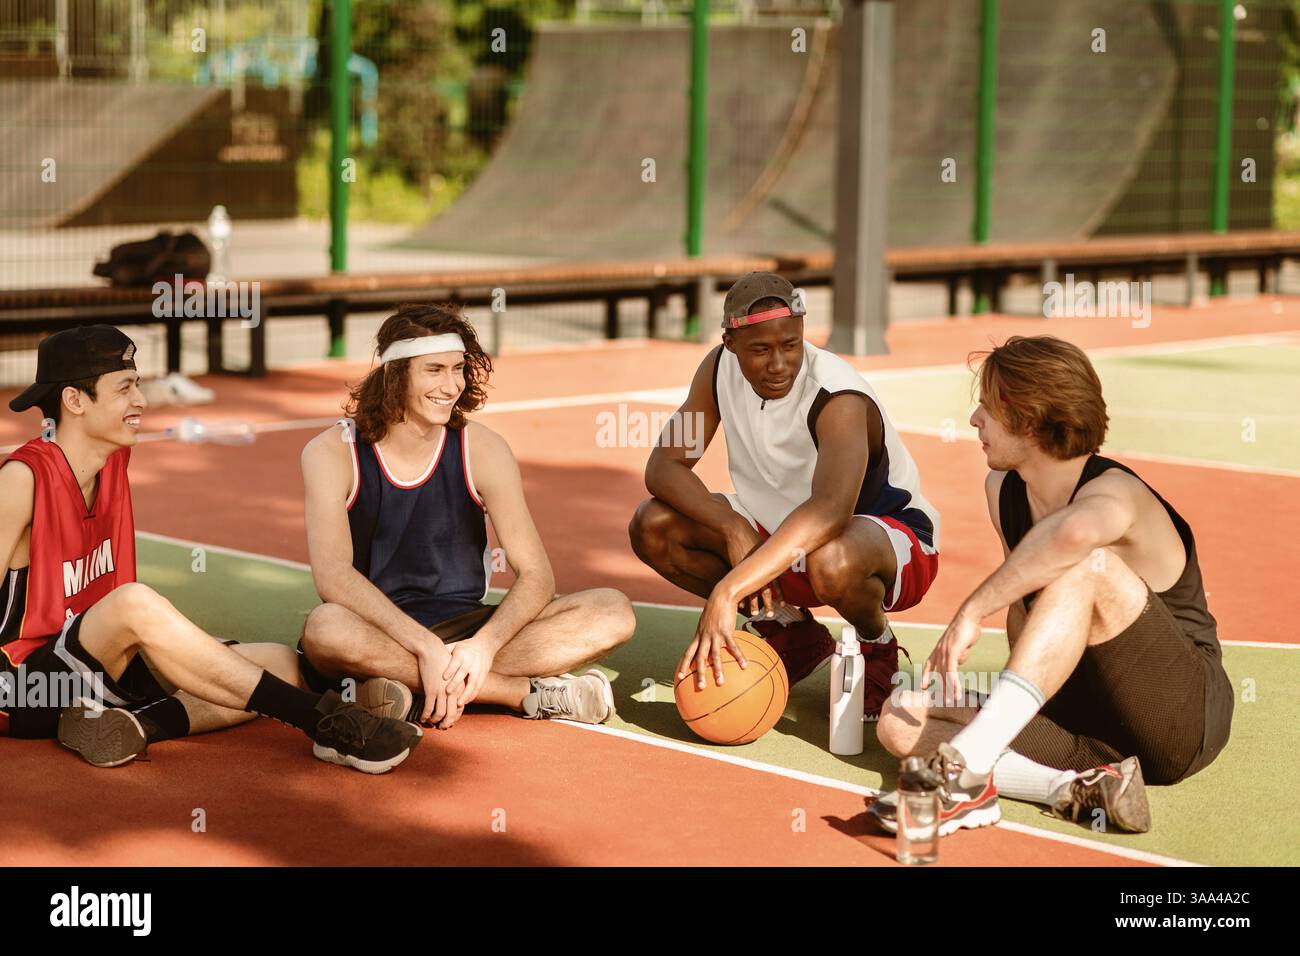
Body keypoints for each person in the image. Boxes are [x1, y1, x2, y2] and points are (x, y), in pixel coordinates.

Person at [0, 325, 420, 773]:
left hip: (101, 664)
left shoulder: (111, 459)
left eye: (138, 385)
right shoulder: (21, 481)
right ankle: (328, 723)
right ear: (74, 400)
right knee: (134, 604)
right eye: (124, 389)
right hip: (27, 685)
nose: (140, 401)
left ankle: (136, 723)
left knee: (279, 661)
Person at [871, 335, 1233, 834]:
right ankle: (1069, 788)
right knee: (900, 716)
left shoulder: (1116, 493)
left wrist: (972, 610)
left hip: (1177, 721)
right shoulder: (1003, 491)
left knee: (1089, 566)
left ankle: (966, 772)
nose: (975, 420)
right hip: (1086, 727)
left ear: (1030, 418)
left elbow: (1075, 537)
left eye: (987, 407)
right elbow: (1026, 620)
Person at [298, 303, 636, 729]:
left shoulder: (484, 449)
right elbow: (333, 577)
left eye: (457, 369)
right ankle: (522, 694)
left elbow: (536, 576)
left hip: (470, 626)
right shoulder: (332, 453)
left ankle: (402, 688)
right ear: (395, 374)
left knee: (612, 611)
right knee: (325, 629)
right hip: (376, 628)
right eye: (434, 370)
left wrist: (484, 647)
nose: (451, 384)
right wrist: (423, 645)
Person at [628, 272, 939, 716]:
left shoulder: (837, 395)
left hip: (884, 542)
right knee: (652, 525)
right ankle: (791, 631)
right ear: (730, 344)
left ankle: (877, 644)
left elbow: (830, 513)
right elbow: (664, 465)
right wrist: (733, 526)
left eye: (790, 345)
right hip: (779, 535)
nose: (779, 363)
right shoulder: (717, 369)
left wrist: (729, 591)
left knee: (830, 558)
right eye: (761, 350)